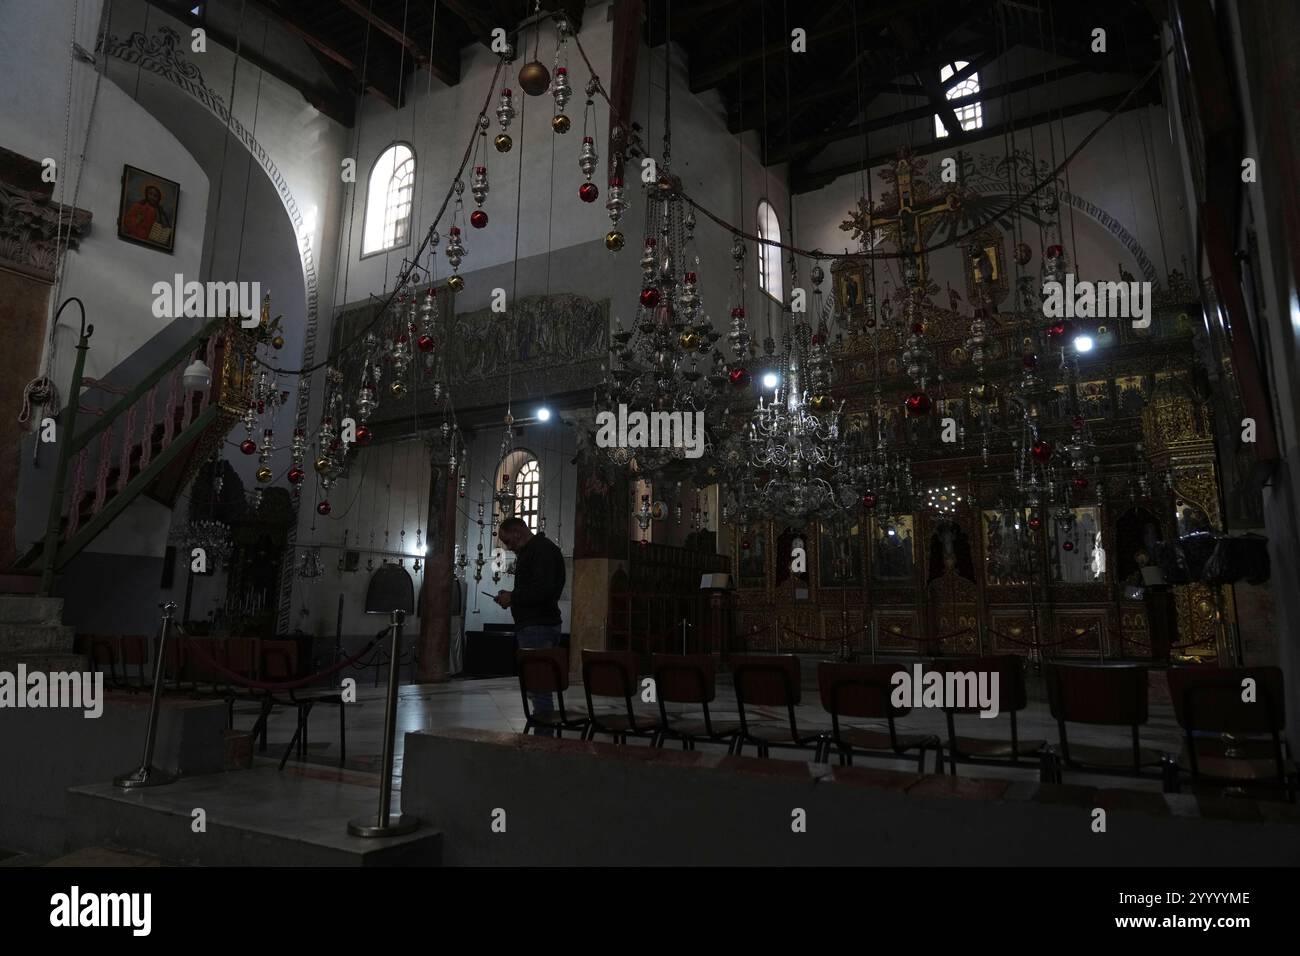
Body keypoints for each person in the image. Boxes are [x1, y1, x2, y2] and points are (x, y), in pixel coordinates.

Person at [494, 516, 566, 734]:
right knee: (537, 687)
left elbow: (543, 590)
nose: (508, 547)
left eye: (508, 541)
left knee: (539, 687)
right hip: (537, 625)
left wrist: (512, 598)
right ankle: (542, 737)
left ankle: (542, 742)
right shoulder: (535, 550)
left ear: (518, 532)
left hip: (538, 627)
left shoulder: (541, 550)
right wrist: (511, 598)